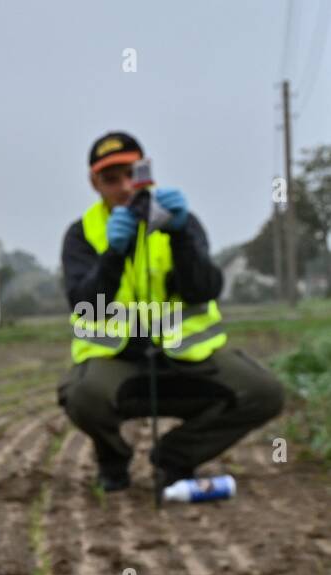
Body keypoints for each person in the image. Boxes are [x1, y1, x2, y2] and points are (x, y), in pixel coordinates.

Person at [57, 131, 284, 493]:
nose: (124, 187)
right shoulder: (82, 234)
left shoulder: (182, 221)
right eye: (111, 179)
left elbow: (205, 288)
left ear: (147, 171)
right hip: (120, 360)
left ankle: (175, 457)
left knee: (264, 392)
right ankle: (113, 462)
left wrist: (180, 236)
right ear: (94, 183)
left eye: (132, 174)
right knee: (83, 397)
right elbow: (84, 302)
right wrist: (114, 255)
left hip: (186, 356)